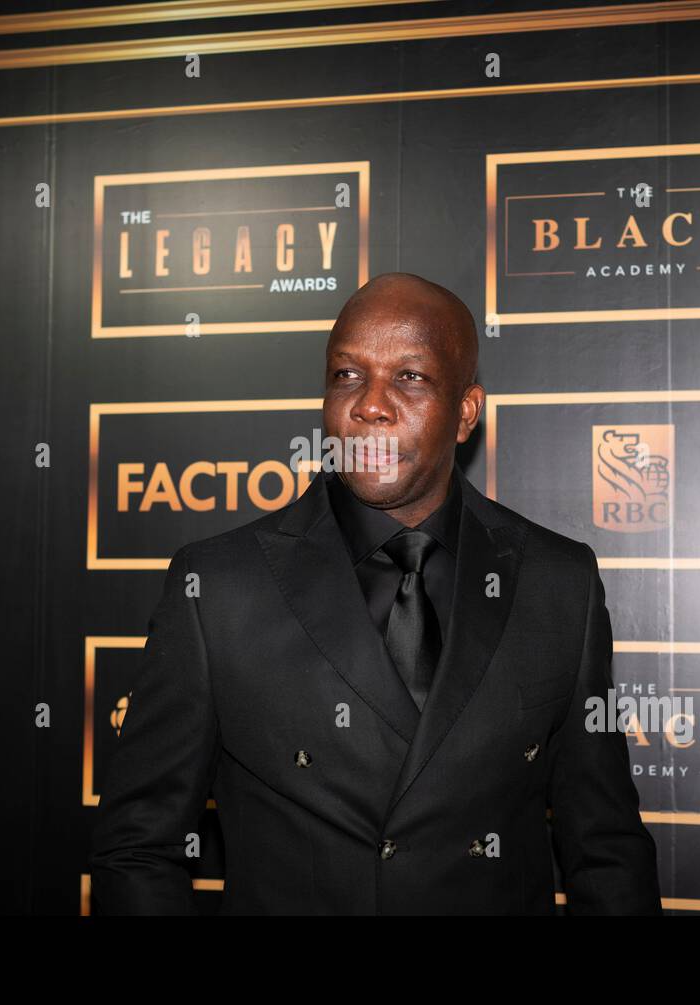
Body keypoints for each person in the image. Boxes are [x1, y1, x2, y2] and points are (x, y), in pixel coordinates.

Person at [90, 272, 662, 915]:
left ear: (467, 411)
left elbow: (606, 849)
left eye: (410, 377)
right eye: (347, 375)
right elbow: (138, 848)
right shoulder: (218, 588)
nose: (370, 405)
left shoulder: (559, 583)